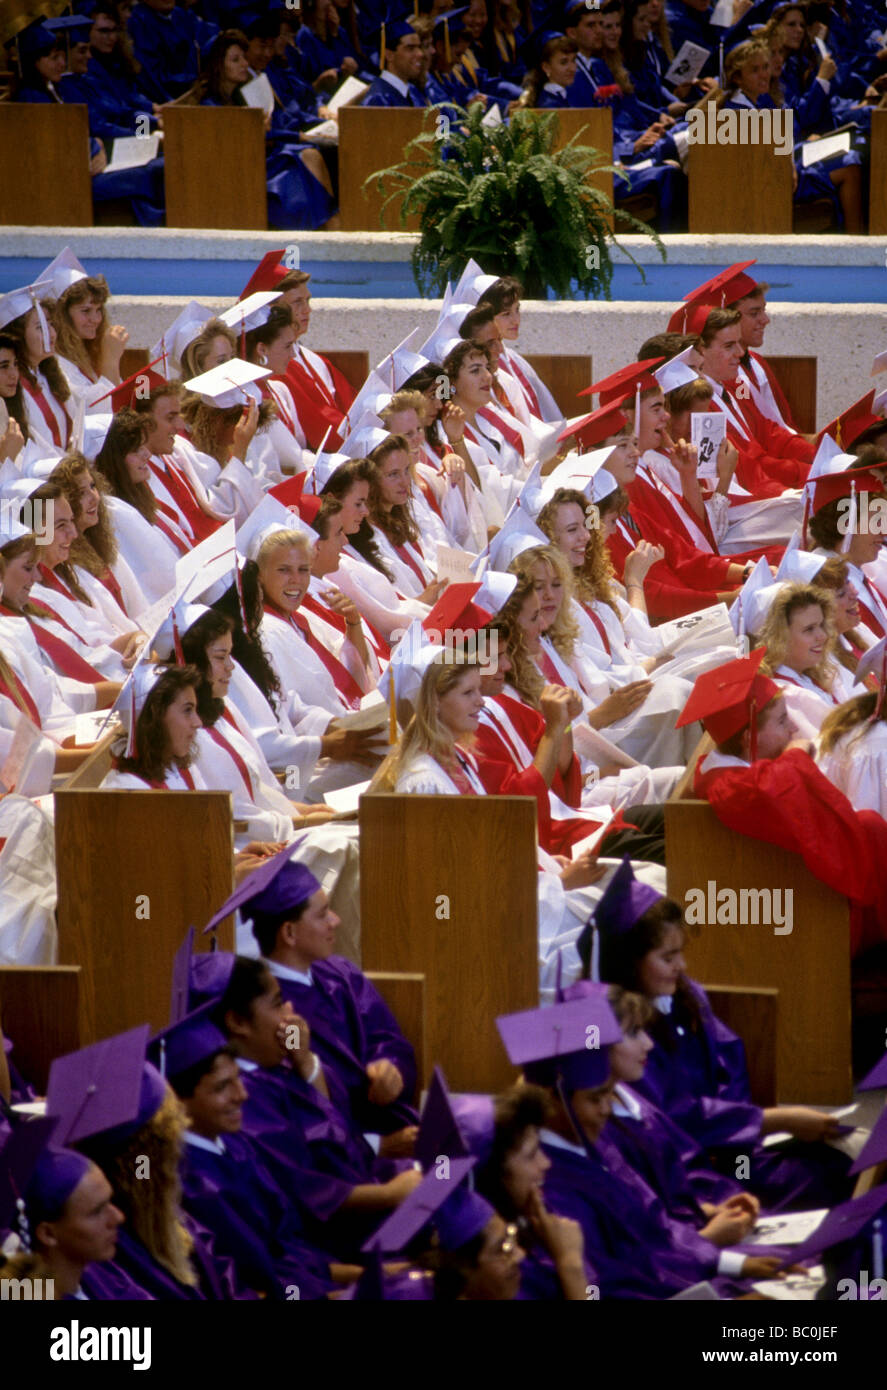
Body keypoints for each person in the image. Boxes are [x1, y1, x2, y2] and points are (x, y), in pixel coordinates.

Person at [682, 648, 887, 958]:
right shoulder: (732, 786)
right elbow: (766, 788)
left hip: (782, 889)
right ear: (749, 737)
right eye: (781, 722)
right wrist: (795, 755)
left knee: (869, 825)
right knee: (869, 827)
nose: (793, 729)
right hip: (788, 909)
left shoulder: (722, 767)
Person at [240, 854, 420, 1137]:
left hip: (397, 1125)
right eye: (323, 914)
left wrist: (391, 1069)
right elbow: (299, 1112)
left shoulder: (341, 972)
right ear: (289, 932)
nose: (335, 921)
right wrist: (376, 1146)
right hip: (345, 1156)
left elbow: (388, 1038)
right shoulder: (270, 1012)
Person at [200, 29, 338, 230]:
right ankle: (329, 227)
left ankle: (332, 225)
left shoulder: (240, 98)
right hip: (240, 170)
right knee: (305, 158)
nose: (245, 65)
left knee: (309, 155)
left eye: (243, 59)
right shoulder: (209, 106)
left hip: (258, 160)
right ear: (219, 66)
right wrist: (299, 136)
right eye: (235, 60)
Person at [364, 19, 426, 105]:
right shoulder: (379, 98)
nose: (420, 54)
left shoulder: (412, 92)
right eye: (410, 48)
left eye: (419, 47)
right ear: (389, 55)